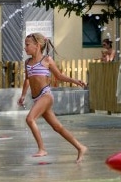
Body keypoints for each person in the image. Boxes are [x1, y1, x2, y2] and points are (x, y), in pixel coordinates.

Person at [17, 32, 88, 162]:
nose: (25, 48)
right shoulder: (27, 62)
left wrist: (76, 81)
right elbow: (27, 80)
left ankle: (42, 149)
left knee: (30, 119)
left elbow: (59, 76)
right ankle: (80, 147)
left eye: (27, 45)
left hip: (46, 96)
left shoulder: (47, 60)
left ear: (37, 46)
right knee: (57, 127)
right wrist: (22, 95)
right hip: (37, 98)